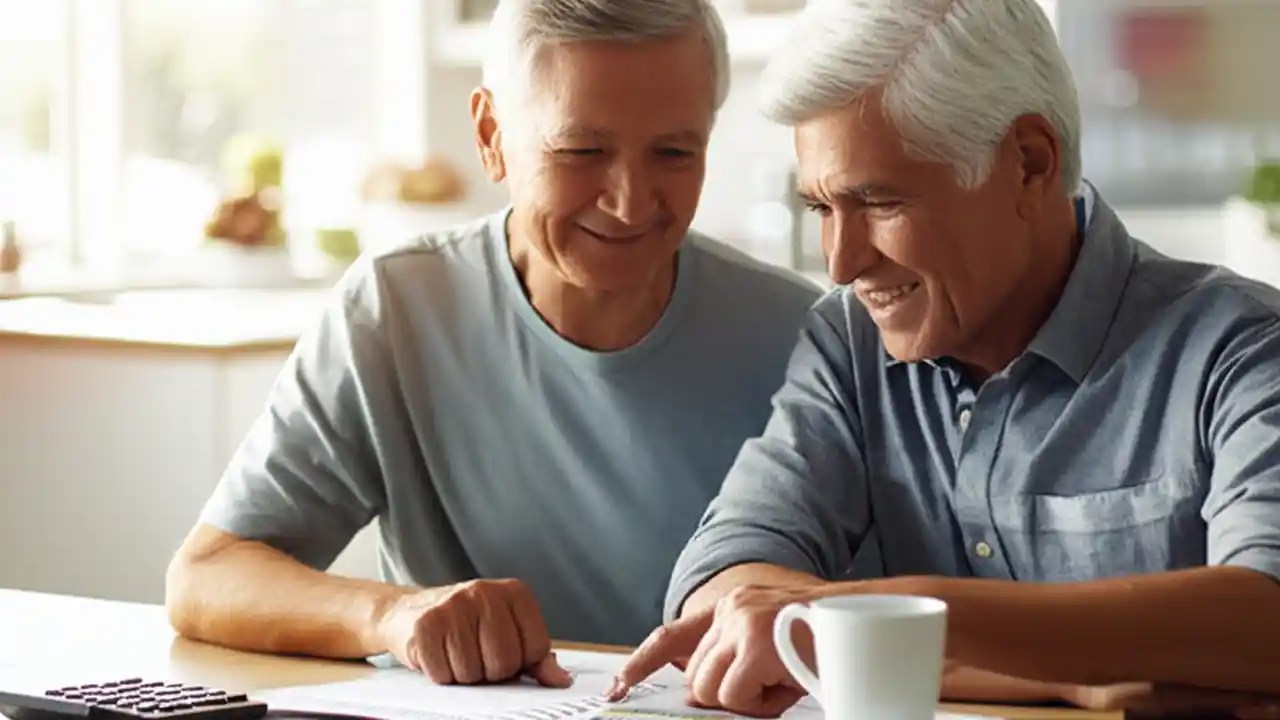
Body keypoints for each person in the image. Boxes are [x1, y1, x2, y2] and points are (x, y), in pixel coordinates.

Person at [610, 0, 1280, 716]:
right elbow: (723, 590)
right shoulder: (850, 343)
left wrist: (892, 619)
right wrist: (1062, 680)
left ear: (1029, 163)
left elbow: (1266, 618)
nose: (840, 263)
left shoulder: (1239, 347)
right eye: (821, 209)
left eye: (879, 201)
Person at [164, 0, 820, 689]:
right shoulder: (395, 311)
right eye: (582, 151)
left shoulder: (805, 337)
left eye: (675, 153)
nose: (630, 201)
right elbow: (209, 575)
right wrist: (395, 615)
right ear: (491, 133)